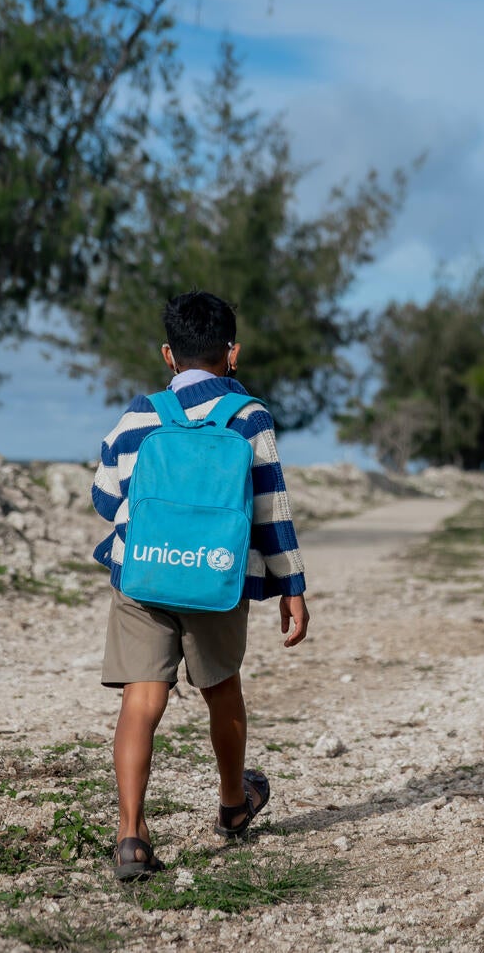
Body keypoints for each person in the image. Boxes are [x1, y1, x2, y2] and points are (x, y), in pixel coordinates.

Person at [90, 290, 310, 880]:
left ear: (168, 354)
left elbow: (105, 496)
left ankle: (131, 835)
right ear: (231, 353)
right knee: (222, 688)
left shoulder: (139, 414)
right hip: (217, 574)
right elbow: (270, 509)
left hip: (145, 573)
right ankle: (234, 805)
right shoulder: (249, 418)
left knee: (143, 697)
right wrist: (292, 586)